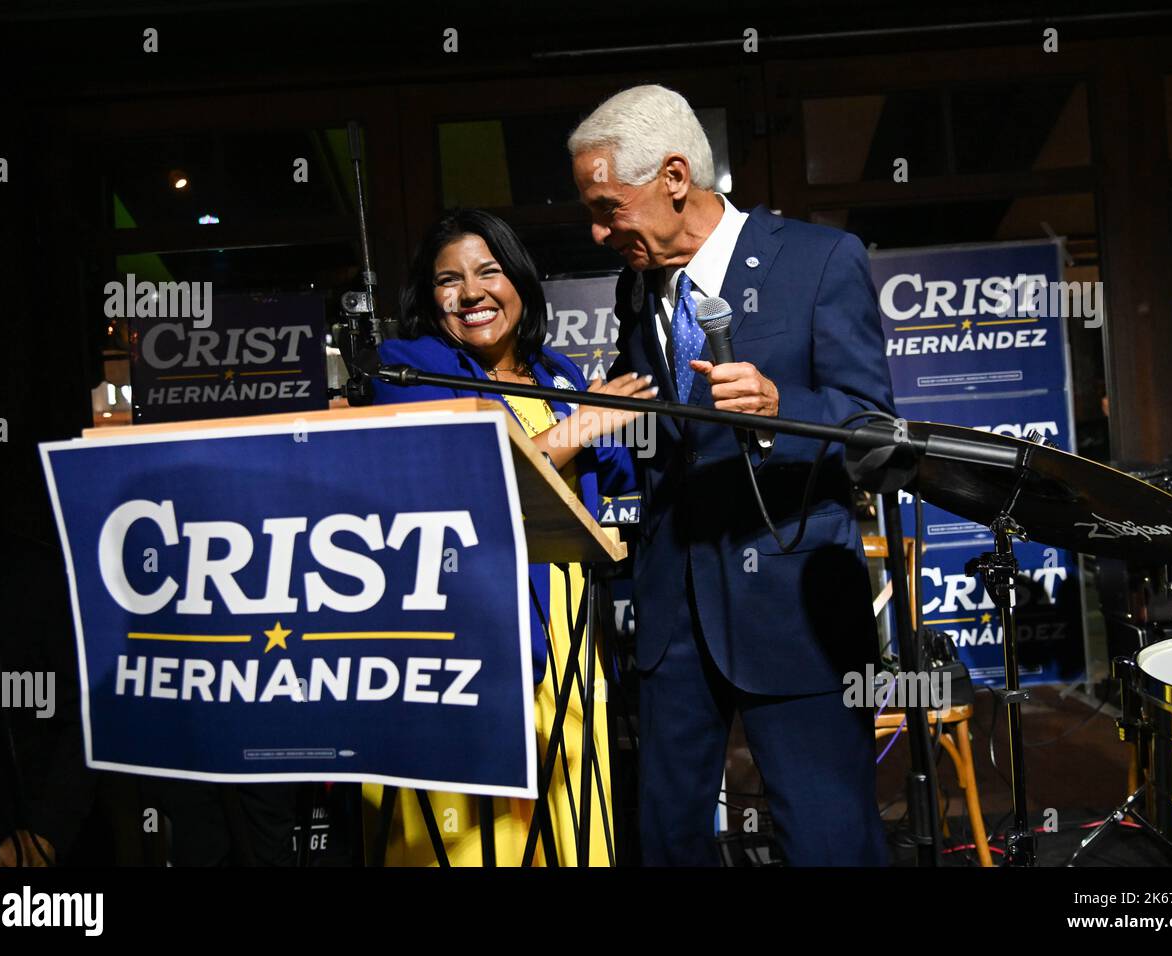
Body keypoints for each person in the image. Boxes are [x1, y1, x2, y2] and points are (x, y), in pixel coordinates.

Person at [569, 84, 897, 865]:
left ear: (675, 177)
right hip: (672, 611)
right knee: (665, 839)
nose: (597, 229)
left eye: (609, 206)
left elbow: (875, 434)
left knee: (827, 840)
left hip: (795, 607)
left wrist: (788, 405)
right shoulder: (637, 283)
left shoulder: (820, 262)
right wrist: (597, 420)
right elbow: (663, 425)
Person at [366, 208, 655, 865]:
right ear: (429, 298)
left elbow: (614, 474)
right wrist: (569, 434)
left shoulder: (557, 375)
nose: (470, 292)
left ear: (520, 282)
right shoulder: (408, 370)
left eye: (488, 270)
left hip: (566, 622)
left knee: (573, 815)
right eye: (449, 280)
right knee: (478, 832)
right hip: (468, 630)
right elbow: (444, 482)